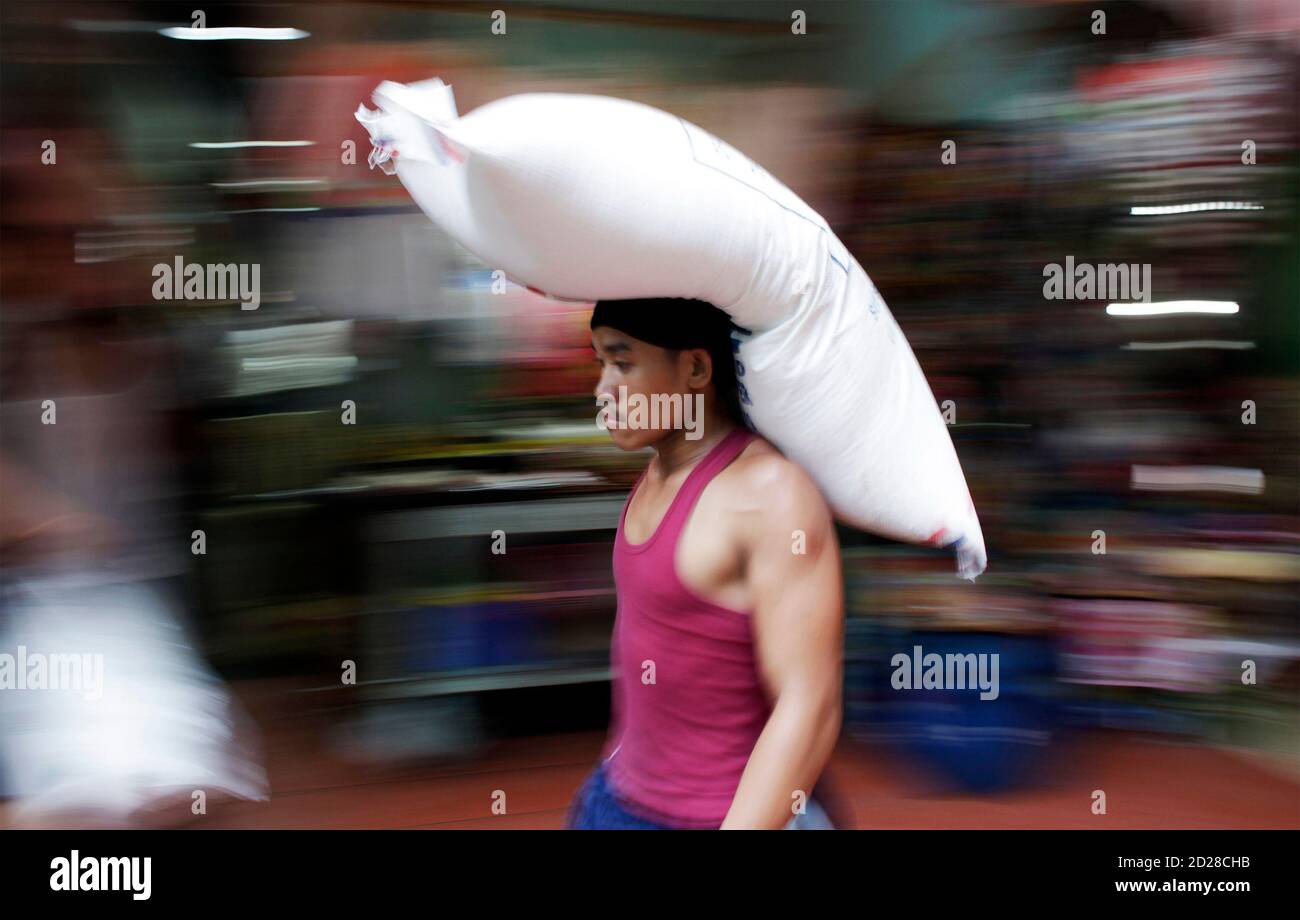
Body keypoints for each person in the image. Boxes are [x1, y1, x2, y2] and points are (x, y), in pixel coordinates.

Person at [567, 297, 848, 830]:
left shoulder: (771, 494)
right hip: (616, 800)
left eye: (622, 363)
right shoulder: (657, 472)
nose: (603, 389)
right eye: (601, 363)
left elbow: (808, 704)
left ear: (696, 368)